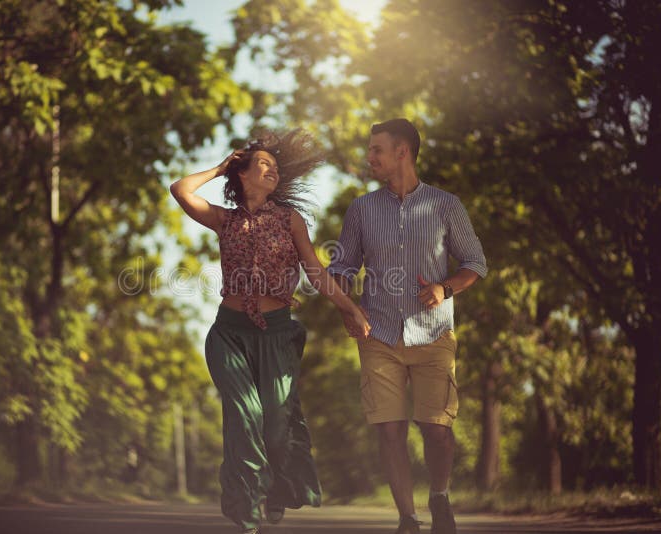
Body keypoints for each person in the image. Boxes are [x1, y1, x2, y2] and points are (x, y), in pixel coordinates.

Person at [170, 130, 371, 534]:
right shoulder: (223, 219)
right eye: (263, 164)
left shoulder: (289, 219)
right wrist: (220, 167)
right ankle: (246, 514)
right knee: (245, 417)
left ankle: (278, 489)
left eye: (276, 168)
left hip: (277, 333)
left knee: (276, 427)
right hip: (229, 335)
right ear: (241, 173)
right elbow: (179, 188)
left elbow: (315, 270)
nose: (272, 171)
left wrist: (350, 308)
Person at [327, 119, 487, 534]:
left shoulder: (445, 205)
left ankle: (439, 495)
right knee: (390, 430)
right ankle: (408, 519)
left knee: (437, 430)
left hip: (433, 332)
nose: (370, 157)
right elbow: (342, 266)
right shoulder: (362, 209)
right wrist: (347, 307)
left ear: (403, 152)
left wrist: (444, 287)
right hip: (377, 334)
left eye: (376, 149)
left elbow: (475, 263)